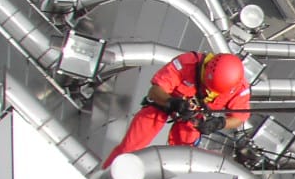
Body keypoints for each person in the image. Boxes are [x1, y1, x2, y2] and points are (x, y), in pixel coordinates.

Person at [102, 52, 251, 168]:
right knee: (130, 146)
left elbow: (239, 118)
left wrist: (218, 124)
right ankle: (107, 174)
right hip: (165, 104)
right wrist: (172, 102)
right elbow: (155, 91)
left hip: (193, 120)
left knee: (182, 160)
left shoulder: (239, 88)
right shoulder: (186, 63)